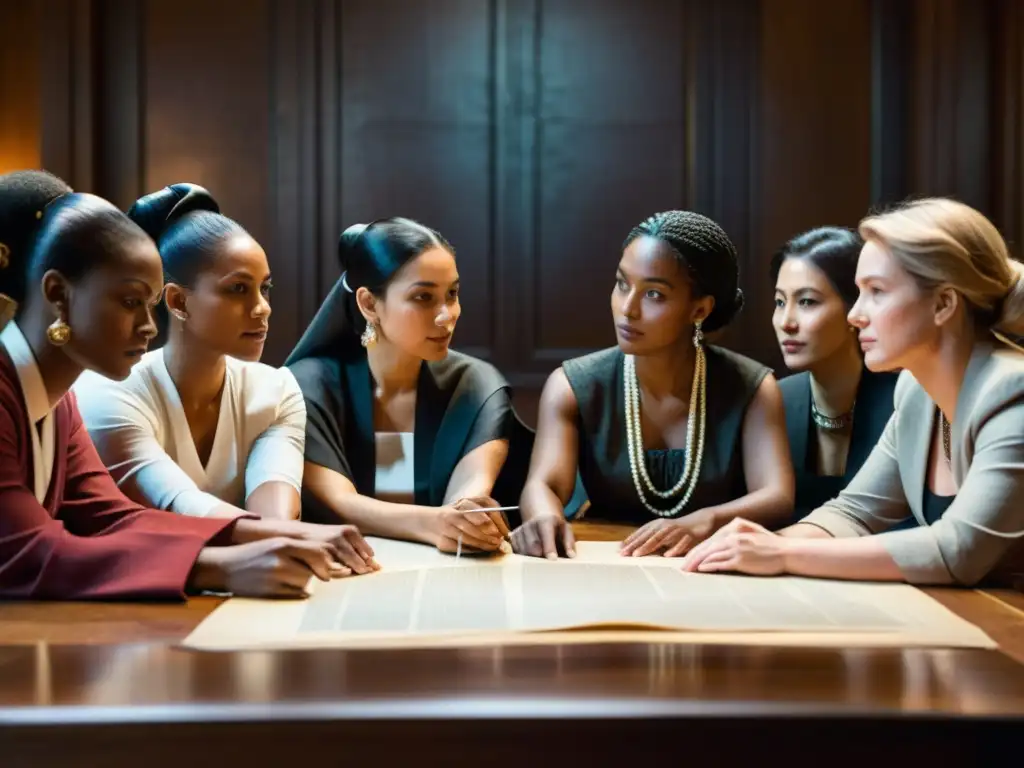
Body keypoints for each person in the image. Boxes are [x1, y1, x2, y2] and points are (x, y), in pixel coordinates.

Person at [0, 170, 375, 600]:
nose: (146, 326)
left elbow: (115, 516)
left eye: (149, 304)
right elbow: (26, 552)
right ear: (57, 294)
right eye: (129, 302)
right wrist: (220, 568)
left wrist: (270, 538)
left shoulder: (59, 403)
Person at [682, 198, 1024, 586]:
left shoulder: (1014, 392)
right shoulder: (916, 390)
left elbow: (959, 550)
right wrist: (748, 547)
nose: (855, 314)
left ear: (943, 303)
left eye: (876, 291)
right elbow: (853, 513)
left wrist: (781, 553)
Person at [511, 210, 794, 559]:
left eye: (654, 295)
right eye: (621, 284)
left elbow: (777, 496)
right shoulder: (573, 385)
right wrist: (543, 516)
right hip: (606, 560)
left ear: (700, 310)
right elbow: (545, 485)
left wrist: (705, 521)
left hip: (711, 562)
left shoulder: (751, 388)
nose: (627, 309)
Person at [286, 217, 518, 553]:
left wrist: (469, 518)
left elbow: (467, 499)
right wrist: (439, 523)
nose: (446, 315)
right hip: (340, 572)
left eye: (451, 294)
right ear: (368, 304)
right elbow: (338, 503)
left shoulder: (476, 385)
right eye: (423, 297)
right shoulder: (308, 387)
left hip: (444, 579)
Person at [75, 183, 305, 521]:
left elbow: (276, 517)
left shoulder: (276, 390)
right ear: (178, 301)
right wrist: (293, 540)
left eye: (264, 288)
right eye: (238, 289)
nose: (262, 308)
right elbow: (179, 505)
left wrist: (288, 537)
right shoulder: (109, 392)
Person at [772, 227, 898, 520]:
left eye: (807, 301)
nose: (786, 322)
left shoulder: (903, 399)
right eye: (780, 302)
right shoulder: (774, 400)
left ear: (855, 310)